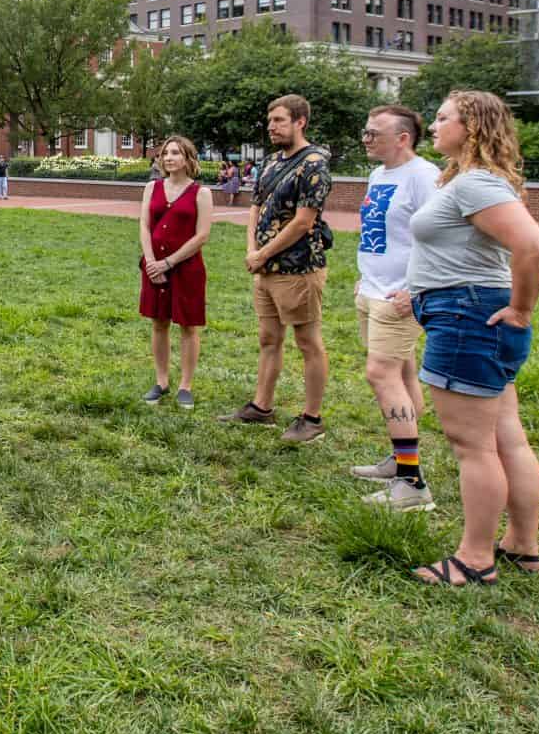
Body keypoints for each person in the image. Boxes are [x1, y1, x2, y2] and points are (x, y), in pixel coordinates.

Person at [404, 91, 539, 586]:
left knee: (473, 445)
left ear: (471, 127)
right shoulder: (471, 182)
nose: (435, 124)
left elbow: (533, 246)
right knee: (506, 435)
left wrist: (522, 308)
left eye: (444, 117)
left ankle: (474, 557)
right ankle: (522, 544)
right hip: (476, 316)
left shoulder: (476, 184)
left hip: (468, 319)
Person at [220, 95, 333, 443]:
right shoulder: (269, 163)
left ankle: (312, 419)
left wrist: (263, 252)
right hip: (265, 268)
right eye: (269, 121)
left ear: (300, 122)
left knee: (307, 341)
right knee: (269, 338)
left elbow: (302, 223)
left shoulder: (314, 163)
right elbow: (255, 207)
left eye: (280, 121)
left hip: (298, 268)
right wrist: (252, 250)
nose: (272, 127)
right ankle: (261, 407)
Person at [348, 104, 442, 511]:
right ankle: (402, 457)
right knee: (402, 373)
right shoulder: (378, 175)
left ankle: (412, 482)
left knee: (380, 373)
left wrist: (414, 289)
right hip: (372, 289)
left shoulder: (425, 177)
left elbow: (440, 238)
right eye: (365, 132)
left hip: (399, 298)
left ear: (403, 138)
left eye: (374, 133)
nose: (366, 139)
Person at [138, 135, 212, 408]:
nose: (169, 158)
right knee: (159, 323)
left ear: (188, 158)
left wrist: (168, 263)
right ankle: (161, 381)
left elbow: (202, 235)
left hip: (186, 269)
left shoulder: (201, 193)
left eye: (175, 153)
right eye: (165, 153)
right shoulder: (152, 188)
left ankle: (185, 385)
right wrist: (150, 262)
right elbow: (144, 225)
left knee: (188, 326)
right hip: (153, 266)